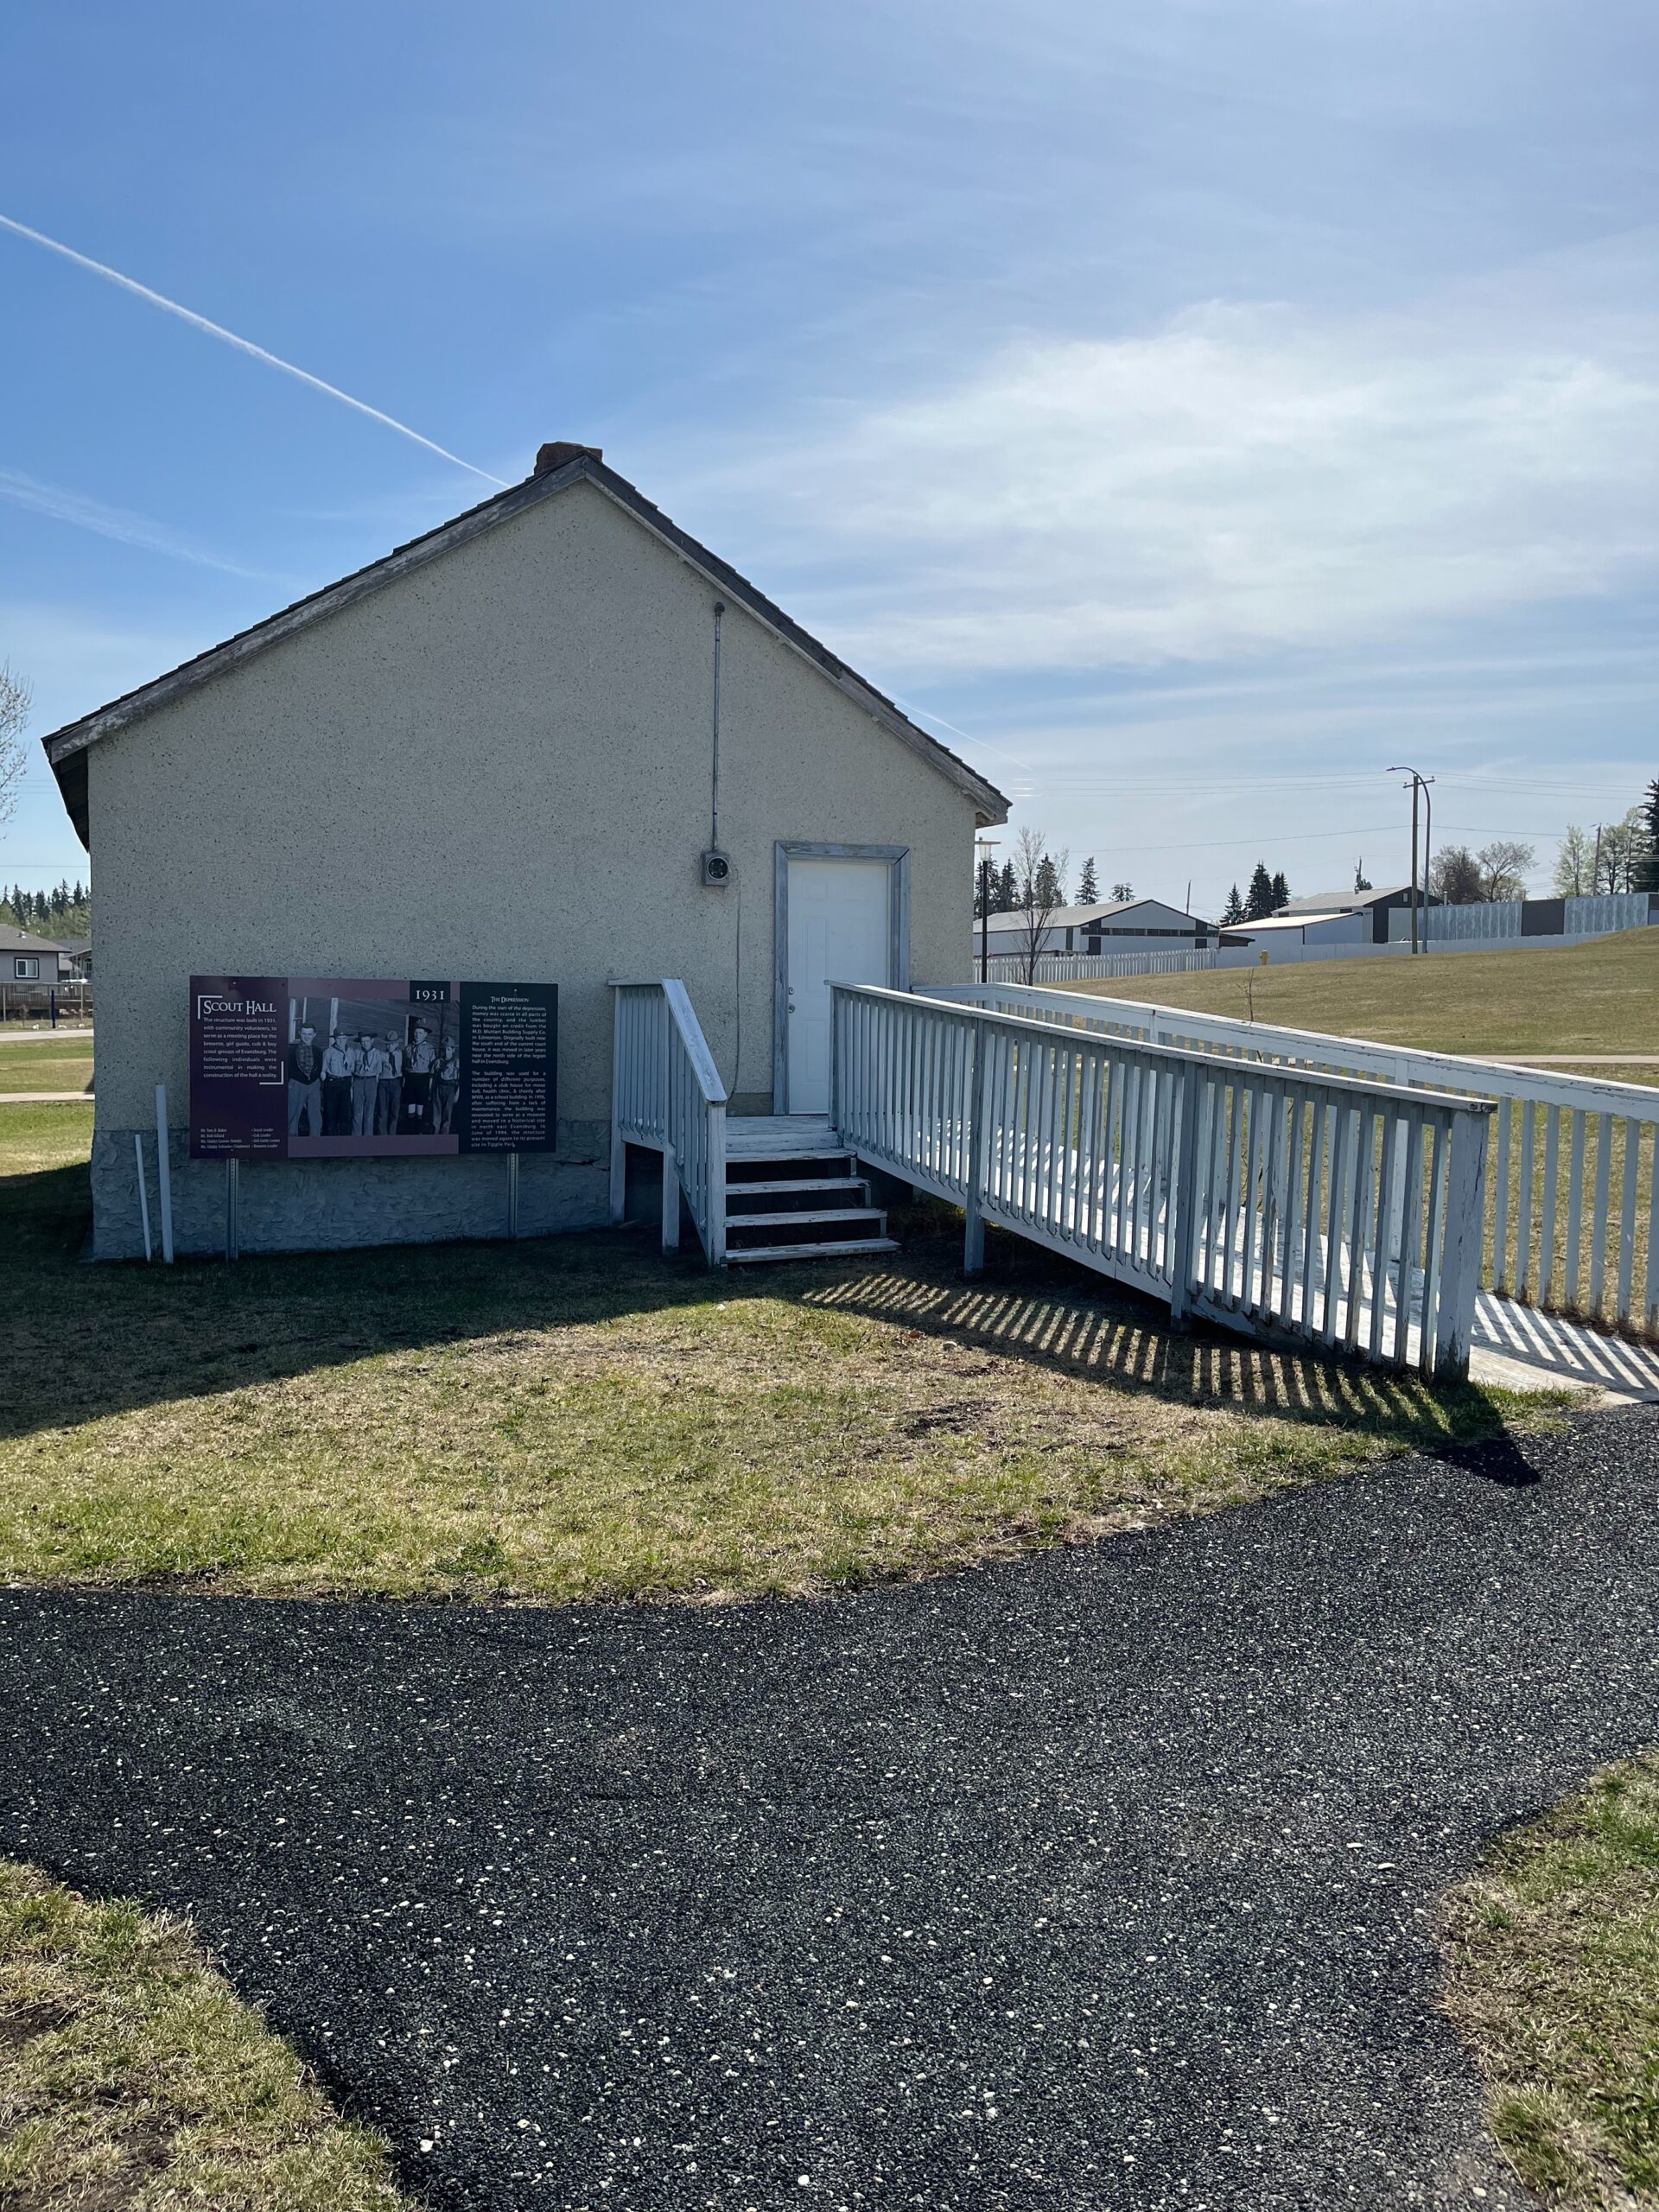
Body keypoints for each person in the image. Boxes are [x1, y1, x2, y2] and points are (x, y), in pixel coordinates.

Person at [287, 1022, 324, 1136]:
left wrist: (314, 1080)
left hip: (313, 1084)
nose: (306, 1037)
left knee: (315, 1115)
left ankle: (315, 1143)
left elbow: (319, 1067)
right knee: (293, 1114)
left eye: (309, 1034)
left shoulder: (318, 1051)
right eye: (304, 1034)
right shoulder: (290, 1050)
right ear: (299, 1034)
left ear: (314, 1035)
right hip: (296, 1083)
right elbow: (287, 1068)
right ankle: (293, 1142)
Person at [400, 1019, 436, 1132]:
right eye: (416, 1032)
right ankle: (410, 1129)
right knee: (410, 1103)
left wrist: (430, 1085)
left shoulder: (430, 1048)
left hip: (423, 1078)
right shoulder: (408, 1048)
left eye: (420, 1033)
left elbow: (433, 1067)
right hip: (410, 1078)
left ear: (425, 1035)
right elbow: (404, 1065)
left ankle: (418, 1129)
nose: (417, 1035)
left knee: (420, 1104)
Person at [351, 1032, 386, 1138]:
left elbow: (378, 1071)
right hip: (358, 1082)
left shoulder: (378, 1054)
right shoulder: (356, 1053)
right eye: (363, 1042)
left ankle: (367, 1140)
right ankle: (356, 1140)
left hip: (371, 1082)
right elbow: (352, 1069)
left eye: (367, 1041)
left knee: (369, 1113)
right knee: (357, 1113)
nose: (365, 1044)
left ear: (372, 1041)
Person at [321, 1028, 353, 1135]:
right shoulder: (329, 1052)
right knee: (331, 1113)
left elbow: (353, 1069)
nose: (341, 1041)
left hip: (346, 1082)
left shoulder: (351, 1052)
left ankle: (343, 1141)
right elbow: (323, 1071)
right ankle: (330, 1139)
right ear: (334, 1039)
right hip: (332, 1083)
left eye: (344, 1038)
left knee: (345, 1113)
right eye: (338, 1039)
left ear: (347, 1039)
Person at [376, 1028, 404, 1135]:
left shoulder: (402, 1054)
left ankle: (392, 1136)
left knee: (394, 1112)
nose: (390, 1046)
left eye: (392, 1044)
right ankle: (381, 1136)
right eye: (388, 1044)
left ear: (397, 1044)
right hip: (383, 1083)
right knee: (382, 1112)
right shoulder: (381, 1055)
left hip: (396, 1083)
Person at [433, 1035, 461, 1135]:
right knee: (436, 1114)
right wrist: (431, 1091)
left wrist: (457, 1094)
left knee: (447, 1115)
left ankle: (444, 1136)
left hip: (451, 1088)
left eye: (448, 1049)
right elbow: (433, 1078)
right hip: (438, 1088)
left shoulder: (457, 1063)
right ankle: (434, 1136)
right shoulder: (438, 1062)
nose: (446, 1052)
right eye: (444, 1050)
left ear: (453, 1050)